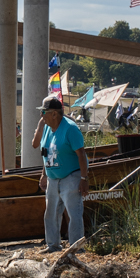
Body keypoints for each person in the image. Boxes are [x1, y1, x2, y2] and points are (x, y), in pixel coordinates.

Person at [35, 97, 88, 252]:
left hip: (71, 176)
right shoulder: (46, 128)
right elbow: (46, 152)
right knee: (50, 214)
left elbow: (81, 155)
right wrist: (44, 174)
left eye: (43, 112)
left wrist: (84, 178)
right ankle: (53, 245)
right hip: (52, 178)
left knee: (74, 214)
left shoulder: (70, 129)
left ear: (54, 114)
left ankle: (76, 248)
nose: (41, 115)